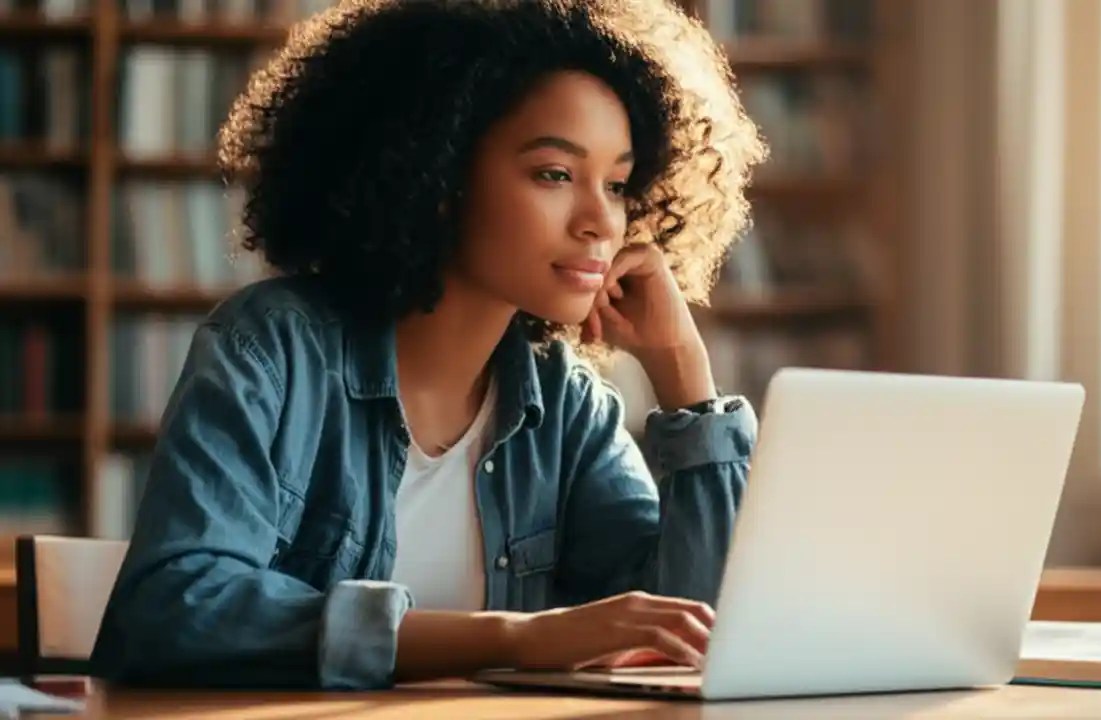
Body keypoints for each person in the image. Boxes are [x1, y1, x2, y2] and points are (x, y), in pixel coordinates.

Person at [91, 0, 766, 690]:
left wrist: (684, 376)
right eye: (555, 175)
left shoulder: (568, 408)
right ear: (437, 175)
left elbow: (695, 631)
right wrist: (516, 638)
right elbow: (174, 607)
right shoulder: (272, 351)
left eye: (618, 185)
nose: (602, 222)